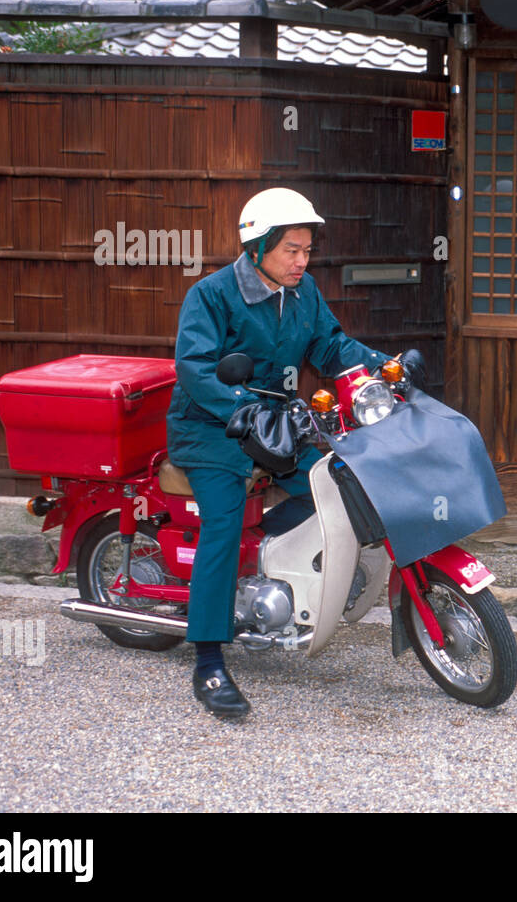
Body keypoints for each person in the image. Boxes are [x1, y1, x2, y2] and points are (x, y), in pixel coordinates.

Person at [166, 187, 397, 718]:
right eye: (291, 249)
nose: (302, 260)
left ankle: (266, 563)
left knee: (337, 483)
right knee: (223, 522)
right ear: (257, 248)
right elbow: (196, 370)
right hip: (211, 428)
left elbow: (332, 346)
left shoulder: (304, 291)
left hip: (277, 425)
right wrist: (241, 410)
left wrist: (388, 368)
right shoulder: (211, 295)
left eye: (307, 250)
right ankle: (208, 661)